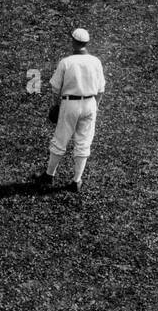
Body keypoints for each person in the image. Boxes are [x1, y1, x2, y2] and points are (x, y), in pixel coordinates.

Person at [37, 27, 106, 195]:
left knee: (60, 139)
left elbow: (55, 88)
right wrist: (95, 106)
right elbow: (101, 89)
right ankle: (76, 181)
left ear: (73, 42)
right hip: (90, 103)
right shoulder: (96, 61)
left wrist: (57, 106)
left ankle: (49, 175)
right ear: (87, 43)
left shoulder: (66, 62)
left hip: (70, 104)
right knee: (83, 142)